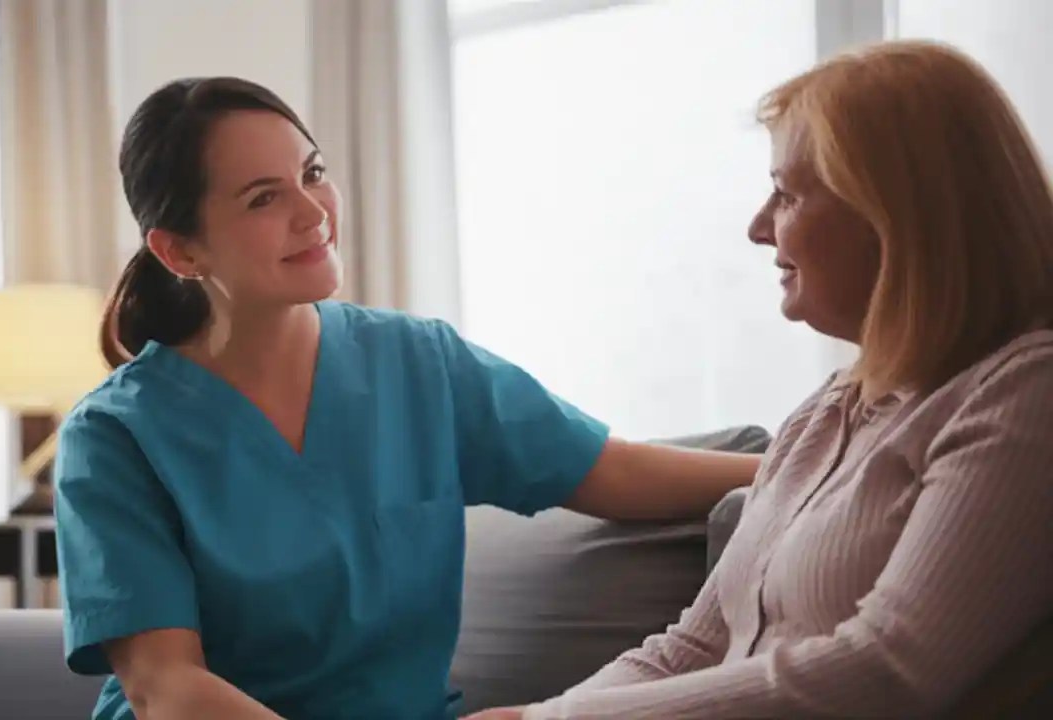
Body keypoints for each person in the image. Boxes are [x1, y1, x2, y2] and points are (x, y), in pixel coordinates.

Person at [53, 76, 761, 720]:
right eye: (263, 198)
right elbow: (167, 687)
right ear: (181, 252)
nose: (313, 212)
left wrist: (829, 463)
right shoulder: (115, 438)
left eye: (314, 174)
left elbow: (613, 470)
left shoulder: (421, 361)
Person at [468, 39, 1053, 720]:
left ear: (892, 213)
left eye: (785, 195)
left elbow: (891, 669)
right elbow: (691, 646)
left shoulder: (1023, 393)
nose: (756, 228)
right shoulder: (826, 413)